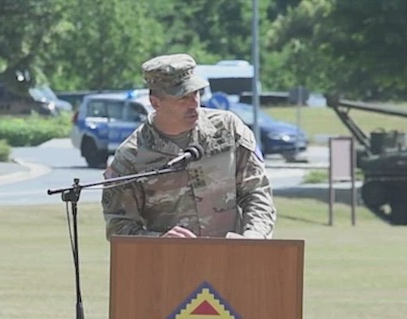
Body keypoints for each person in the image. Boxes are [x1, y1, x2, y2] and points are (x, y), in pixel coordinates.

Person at [101, 54, 276, 239]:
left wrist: (254, 237)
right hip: (170, 264)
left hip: (231, 260)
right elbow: (119, 228)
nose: (194, 104)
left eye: (196, 93)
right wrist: (160, 242)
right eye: (183, 97)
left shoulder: (228, 129)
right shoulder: (131, 157)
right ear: (155, 102)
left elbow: (256, 193)